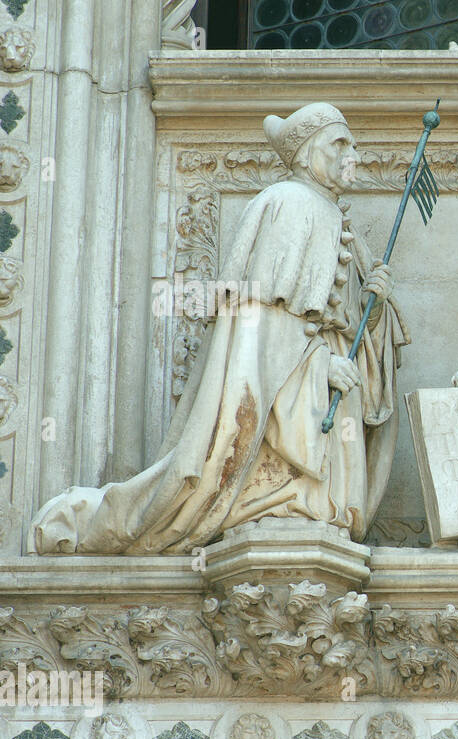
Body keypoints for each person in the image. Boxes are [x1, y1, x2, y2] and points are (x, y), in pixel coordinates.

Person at [30, 103, 409, 555]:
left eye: (354, 143)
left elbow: (344, 328)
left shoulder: (335, 220)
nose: (355, 154)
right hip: (298, 393)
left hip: (326, 400)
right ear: (308, 154)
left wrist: (375, 305)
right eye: (340, 144)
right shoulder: (288, 205)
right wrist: (319, 366)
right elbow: (260, 322)